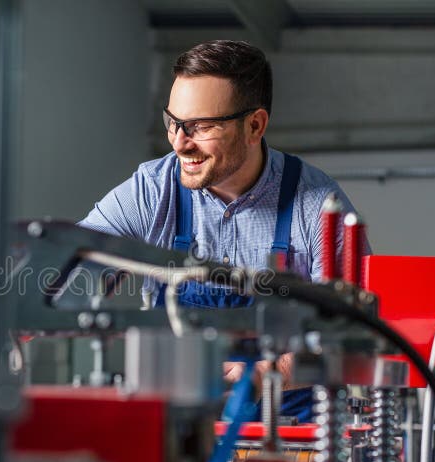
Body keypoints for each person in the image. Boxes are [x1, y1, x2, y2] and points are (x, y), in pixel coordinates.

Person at [78, 40, 365, 422]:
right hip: (178, 432)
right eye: (173, 122)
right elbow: (75, 265)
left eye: (201, 126)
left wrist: (268, 374)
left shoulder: (315, 206)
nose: (180, 142)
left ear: (255, 125)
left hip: (293, 436)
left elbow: (354, 337)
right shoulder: (152, 191)